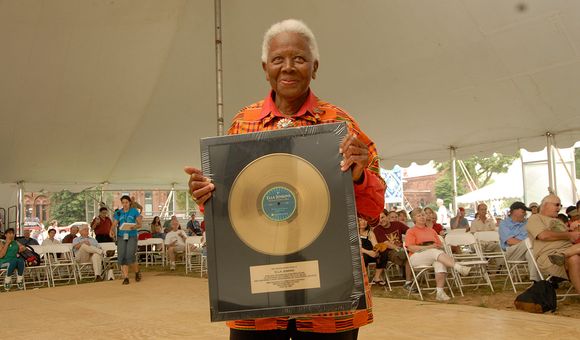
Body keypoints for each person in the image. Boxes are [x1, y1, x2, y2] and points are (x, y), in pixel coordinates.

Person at [185, 19, 385, 339]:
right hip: (256, 298)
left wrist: (361, 176)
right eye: (278, 59)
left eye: (299, 58)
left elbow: (374, 209)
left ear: (315, 67)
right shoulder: (242, 124)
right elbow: (228, 216)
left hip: (330, 296)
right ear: (265, 68)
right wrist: (206, 197)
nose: (288, 67)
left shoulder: (341, 124)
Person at [405, 208, 471, 301]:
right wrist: (428, 247)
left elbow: (439, 246)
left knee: (440, 262)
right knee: (433, 252)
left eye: (423, 215)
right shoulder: (411, 231)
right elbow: (411, 248)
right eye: (419, 215)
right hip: (416, 257)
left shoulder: (431, 231)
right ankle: (457, 267)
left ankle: (440, 292)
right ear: (414, 219)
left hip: (432, 255)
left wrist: (434, 247)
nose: (422, 217)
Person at [526, 194, 580, 294]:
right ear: (545, 205)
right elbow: (543, 235)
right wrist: (569, 235)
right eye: (557, 205)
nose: (559, 207)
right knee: (574, 258)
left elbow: (569, 238)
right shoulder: (535, 218)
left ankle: (563, 255)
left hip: (567, 253)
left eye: (560, 205)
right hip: (550, 257)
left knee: (574, 257)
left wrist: (574, 231)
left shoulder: (557, 221)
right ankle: (562, 255)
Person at [498, 202, 539, 282]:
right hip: (512, 252)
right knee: (530, 242)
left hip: (527, 250)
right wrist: (528, 242)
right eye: (523, 212)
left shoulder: (527, 223)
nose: (525, 214)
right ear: (514, 211)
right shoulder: (504, 224)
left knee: (531, 253)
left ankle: (536, 281)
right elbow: (510, 241)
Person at [110, 195, 143, 285]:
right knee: (122, 256)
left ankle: (137, 272)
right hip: (121, 236)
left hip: (132, 236)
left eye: (126, 202)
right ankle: (126, 277)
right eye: (123, 203)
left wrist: (134, 226)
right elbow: (114, 224)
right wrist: (111, 230)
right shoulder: (119, 213)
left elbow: (140, 224)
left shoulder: (134, 211)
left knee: (130, 256)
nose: (125, 204)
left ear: (129, 203)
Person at [372, 210, 409, 287]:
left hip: (402, 249)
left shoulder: (397, 224)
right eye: (378, 219)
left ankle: (408, 279)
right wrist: (399, 249)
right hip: (390, 252)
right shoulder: (377, 230)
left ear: (387, 217)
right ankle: (409, 280)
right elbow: (386, 243)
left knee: (409, 254)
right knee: (406, 256)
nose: (381, 220)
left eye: (382, 217)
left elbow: (409, 232)